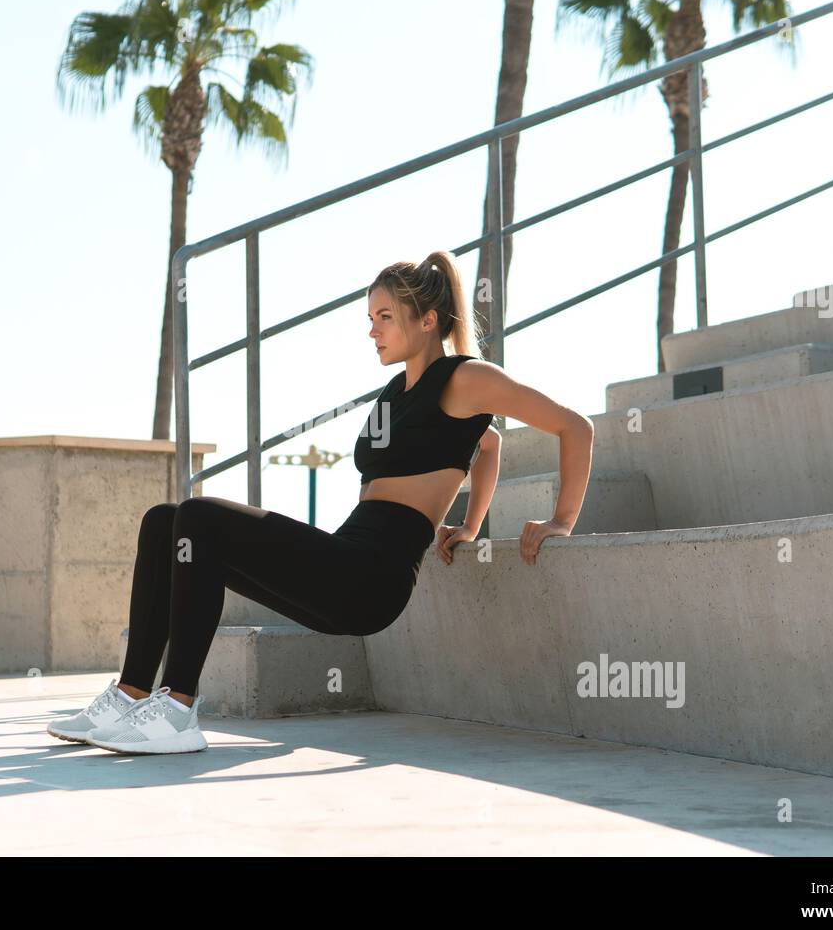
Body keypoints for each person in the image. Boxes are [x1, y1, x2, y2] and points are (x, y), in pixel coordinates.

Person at [47, 250, 594, 754]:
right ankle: (131, 694)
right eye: (370, 318)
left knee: (198, 515)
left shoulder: (468, 377)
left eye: (384, 317)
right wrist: (469, 523)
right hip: (342, 561)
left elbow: (573, 426)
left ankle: (180, 713)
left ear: (427, 321)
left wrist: (561, 519)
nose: (371, 330)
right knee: (164, 521)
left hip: (372, 579)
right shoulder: (392, 398)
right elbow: (486, 444)